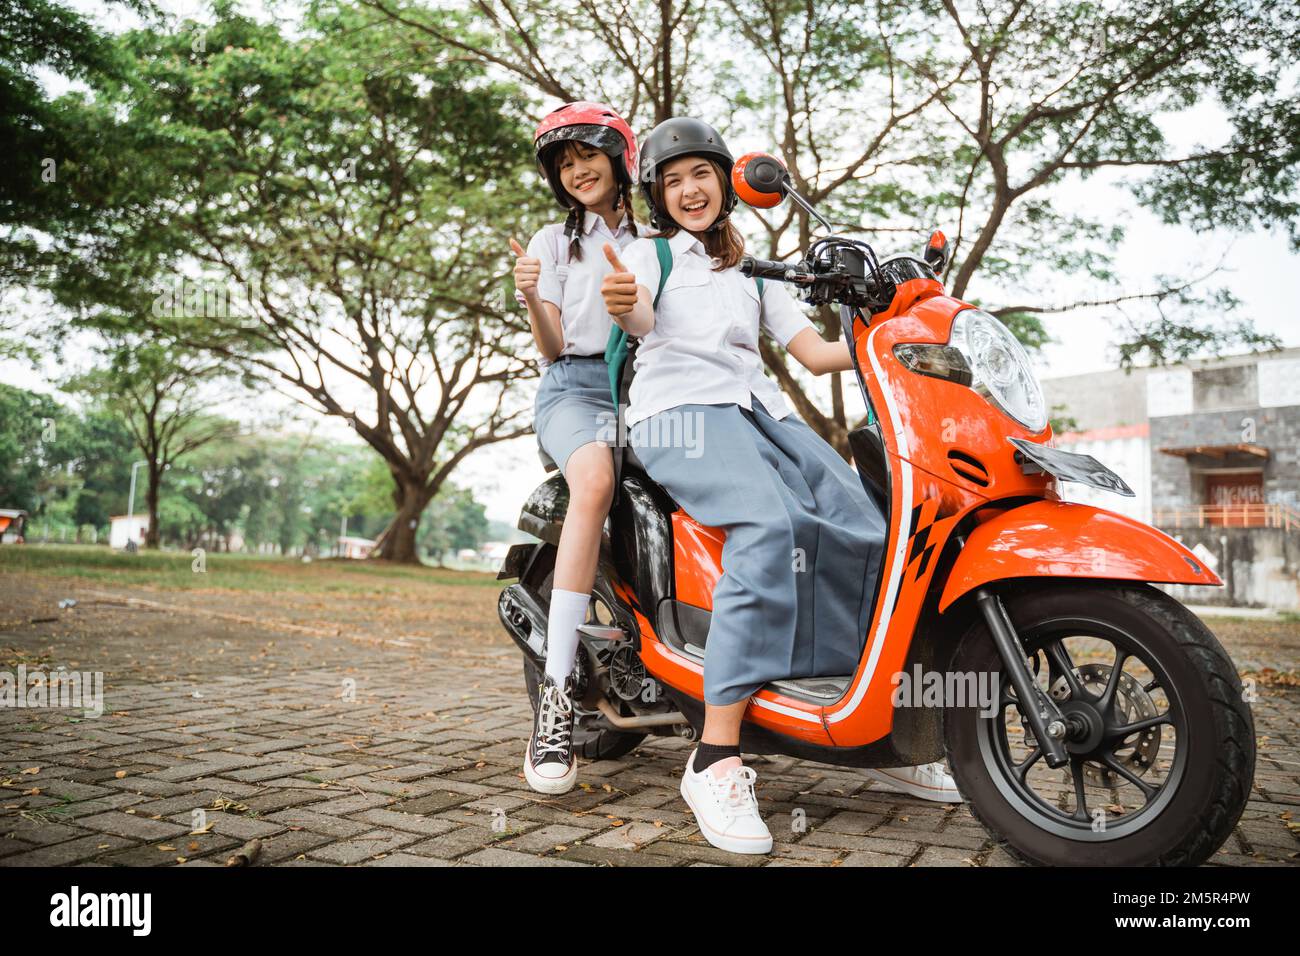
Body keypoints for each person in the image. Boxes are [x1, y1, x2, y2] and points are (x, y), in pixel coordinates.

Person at [600, 117, 960, 854]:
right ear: (659, 197)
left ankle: (876, 737)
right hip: (679, 417)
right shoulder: (649, 252)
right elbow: (637, 317)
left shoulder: (750, 268)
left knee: (874, 531)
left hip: (758, 415)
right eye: (672, 182)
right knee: (768, 528)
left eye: (701, 174)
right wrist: (620, 300)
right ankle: (715, 755)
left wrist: (893, 316)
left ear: (727, 184)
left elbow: (816, 353)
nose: (689, 190)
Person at [511, 102, 641, 795]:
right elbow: (555, 348)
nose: (576, 171)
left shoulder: (660, 231)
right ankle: (557, 696)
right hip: (576, 388)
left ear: (620, 160)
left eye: (586, 155)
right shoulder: (554, 241)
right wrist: (534, 298)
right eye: (564, 163)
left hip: (650, 390)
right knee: (592, 481)